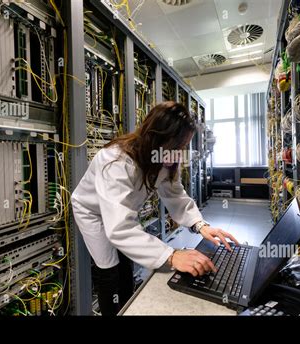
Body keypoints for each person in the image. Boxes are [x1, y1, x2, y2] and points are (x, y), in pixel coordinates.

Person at [71, 101, 238, 316]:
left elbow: (175, 194)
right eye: (178, 146)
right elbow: (119, 229)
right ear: (158, 137)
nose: (181, 154)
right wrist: (171, 255)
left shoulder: (164, 159)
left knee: (125, 264)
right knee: (108, 269)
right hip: (93, 213)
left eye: (184, 147)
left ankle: (126, 306)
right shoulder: (114, 161)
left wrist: (200, 225)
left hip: (119, 215)